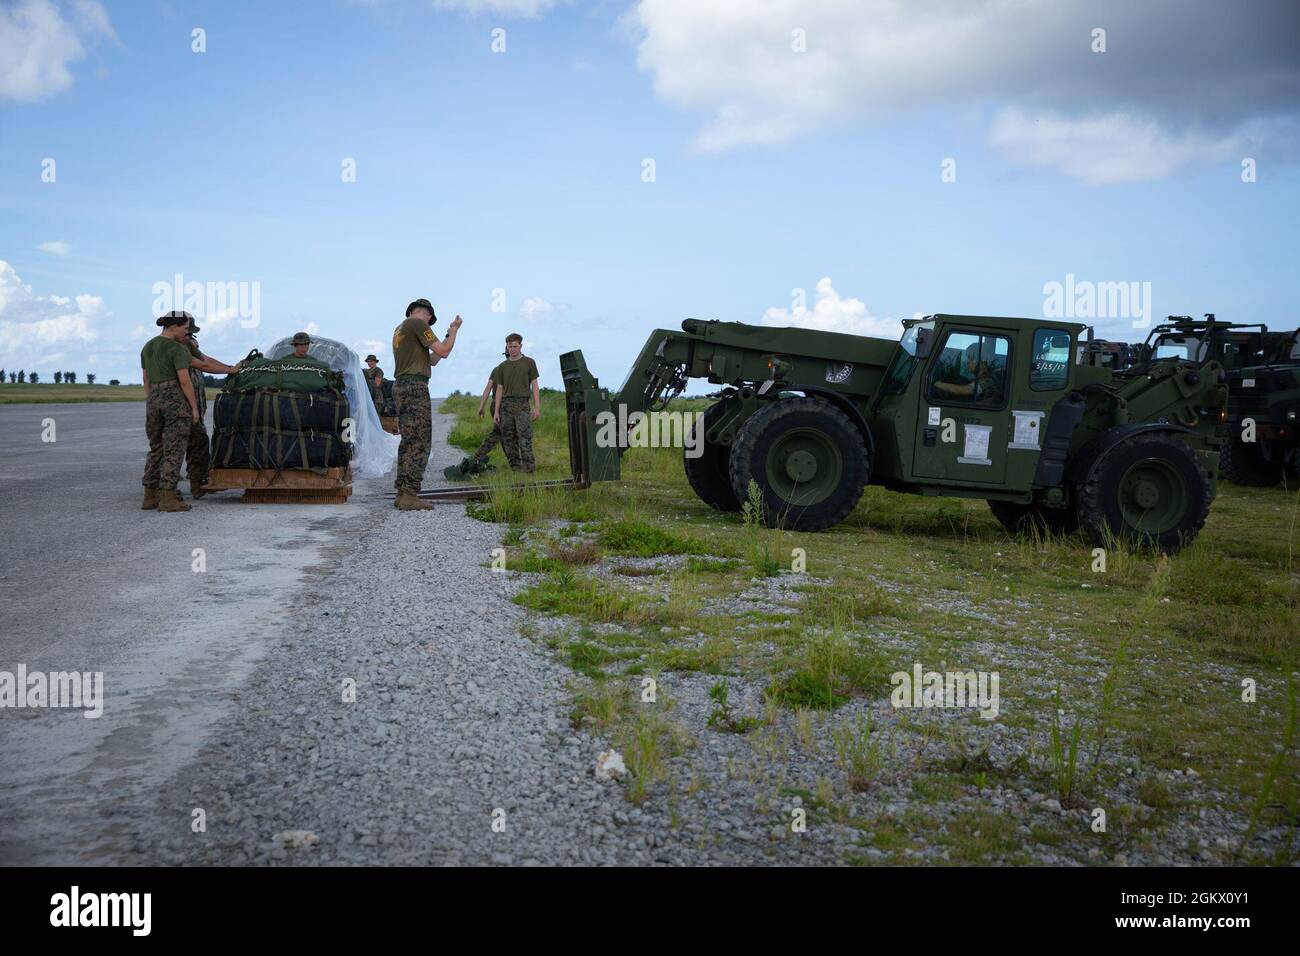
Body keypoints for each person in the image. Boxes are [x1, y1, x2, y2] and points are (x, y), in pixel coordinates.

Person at [391, 298, 461, 510]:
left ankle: (402, 492)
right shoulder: (418, 324)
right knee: (420, 441)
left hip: (402, 386)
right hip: (415, 388)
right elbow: (444, 351)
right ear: (428, 315)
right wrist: (455, 330)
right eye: (430, 319)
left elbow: (432, 359)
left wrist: (447, 336)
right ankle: (410, 494)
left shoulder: (401, 329)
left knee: (408, 441)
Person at [140, 312, 203, 512]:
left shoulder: (148, 346)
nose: (187, 332)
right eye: (185, 328)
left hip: (154, 400)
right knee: (174, 450)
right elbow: (184, 380)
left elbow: (146, 379)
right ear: (174, 326)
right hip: (174, 402)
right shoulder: (176, 348)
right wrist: (194, 408)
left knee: (156, 449)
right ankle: (168, 497)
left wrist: (152, 400)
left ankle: (150, 495)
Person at [182, 317, 241, 498]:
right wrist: (230, 370)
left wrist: (230, 367)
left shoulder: (188, 346)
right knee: (191, 446)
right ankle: (171, 488)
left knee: (196, 445)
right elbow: (205, 364)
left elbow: (206, 359)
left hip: (193, 409)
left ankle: (196, 484)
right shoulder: (180, 350)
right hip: (183, 409)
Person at [489, 333, 540, 472]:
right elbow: (499, 389)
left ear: (521, 346)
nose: (512, 349)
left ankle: (529, 470)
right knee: (508, 439)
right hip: (506, 406)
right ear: (506, 347)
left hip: (523, 404)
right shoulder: (502, 367)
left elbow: (535, 385)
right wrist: (496, 411)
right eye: (509, 346)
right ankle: (516, 470)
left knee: (525, 438)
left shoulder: (529, 362)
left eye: (515, 346)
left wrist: (537, 407)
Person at [934, 341, 1004, 404]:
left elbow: (963, 390)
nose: (968, 362)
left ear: (981, 361)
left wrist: (935, 383)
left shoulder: (989, 380)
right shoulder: (980, 379)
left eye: (971, 359)